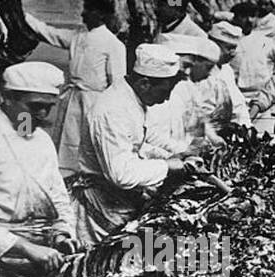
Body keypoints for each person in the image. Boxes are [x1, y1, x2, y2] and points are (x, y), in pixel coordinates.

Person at [0, 63, 79, 277]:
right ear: (8, 98)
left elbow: (59, 196)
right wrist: (25, 248)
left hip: (47, 255)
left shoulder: (41, 141)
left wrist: (63, 234)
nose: (41, 114)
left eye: (48, 107)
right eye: (34, 106)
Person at [72, 44, 203, 244]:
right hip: (101, 202)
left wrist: (181, 151)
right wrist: (168, 166)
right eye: (165, 92)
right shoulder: (111, 110)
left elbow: (146, 132)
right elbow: (121, 174)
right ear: (144, 83)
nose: (167, 98)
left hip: (122, 198)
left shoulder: (132, 98)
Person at [23, 0, 127, 176]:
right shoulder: (78, 36)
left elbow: (118, 86)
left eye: (88, 9)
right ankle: (65, 177)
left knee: (89, 145)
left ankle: (89, 180)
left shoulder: (114, 45)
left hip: (95, 103)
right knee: (66, 141)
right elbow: (49, 33)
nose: (83, 13)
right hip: (73, 99)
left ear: (101, 14)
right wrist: (23, 16)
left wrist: (112, 113)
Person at [229, 1, 275, 135]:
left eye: (253, 16)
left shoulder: (264, 41)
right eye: (244, 16)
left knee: (262, 140)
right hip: (237, 101)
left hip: (262, 101)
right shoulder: (228, 39)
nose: (249, 20)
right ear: (236, 18)